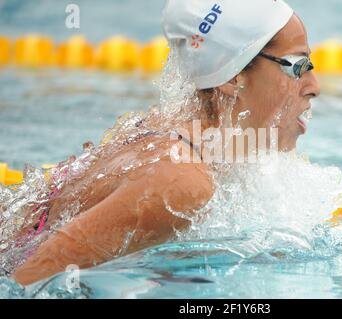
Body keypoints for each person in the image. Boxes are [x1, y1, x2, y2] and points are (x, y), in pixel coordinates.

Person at [12, 0, 320, 285]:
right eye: (297, 66)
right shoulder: (180, 180)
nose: (314, 87)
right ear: (232, 77)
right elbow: (27, 281)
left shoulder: (177, 133)